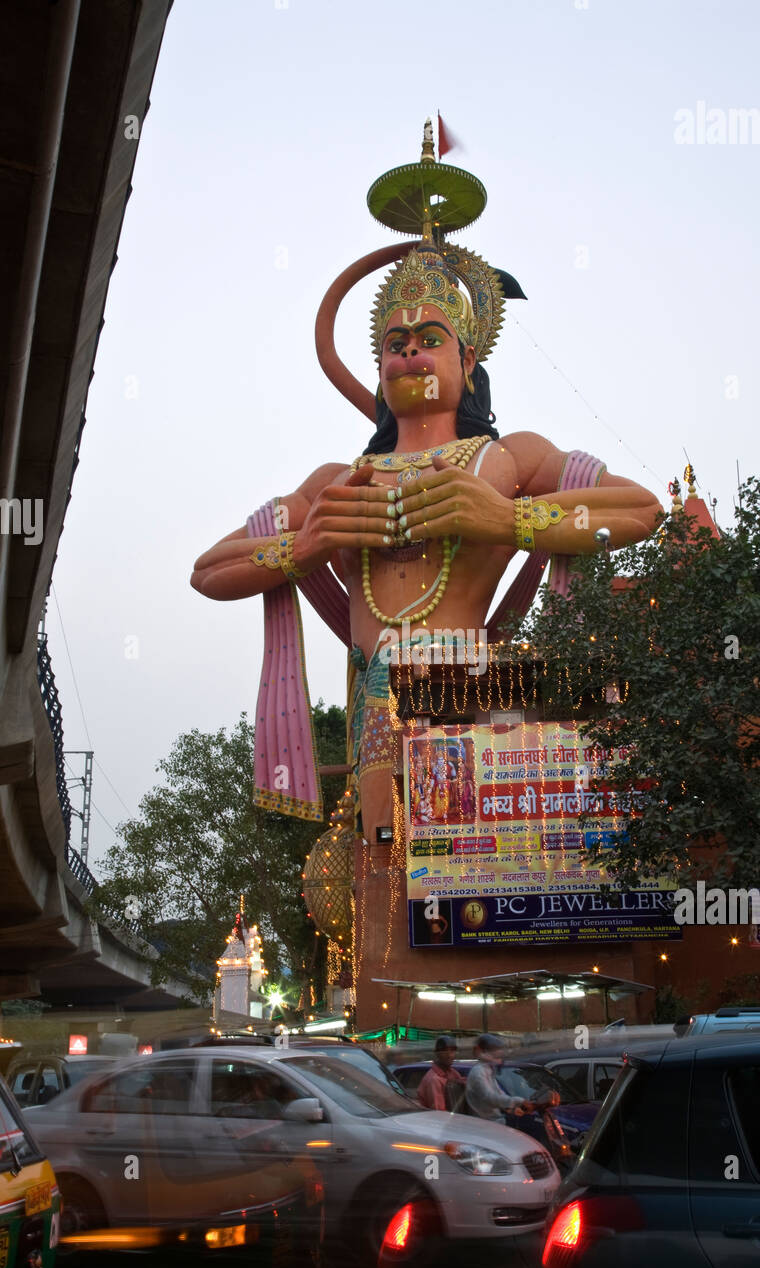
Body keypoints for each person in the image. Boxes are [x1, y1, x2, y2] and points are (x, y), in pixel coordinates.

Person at [190, 125, 662, 844]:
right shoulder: (341, 482)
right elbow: (208, 571)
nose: (410, 352)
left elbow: (640, 508)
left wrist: (507, 519)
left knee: (476, 860)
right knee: (380, 869)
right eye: (395, 343)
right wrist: (306, 545)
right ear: (379, 367)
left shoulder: (504, 461)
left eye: (429, 338)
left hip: (474, 690)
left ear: (468, 362)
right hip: (378, 700)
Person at [464, 1034, 534, 1125]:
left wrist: (512, 1108)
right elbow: (490, 1097)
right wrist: (518, 1101)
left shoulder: (488, 1070)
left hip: (494, 1122)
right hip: (484, 1124)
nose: (499, 1061)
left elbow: (498, 1093)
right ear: (484, 1052)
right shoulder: (478, 1072)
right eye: (496, 1056)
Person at [416, 1035, 465, 1112]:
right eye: (445, 1052)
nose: (450, 1055)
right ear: (437, 1054)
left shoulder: (453, 1073)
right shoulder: (434, 1080)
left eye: (452, 1051)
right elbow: (439, 1112)